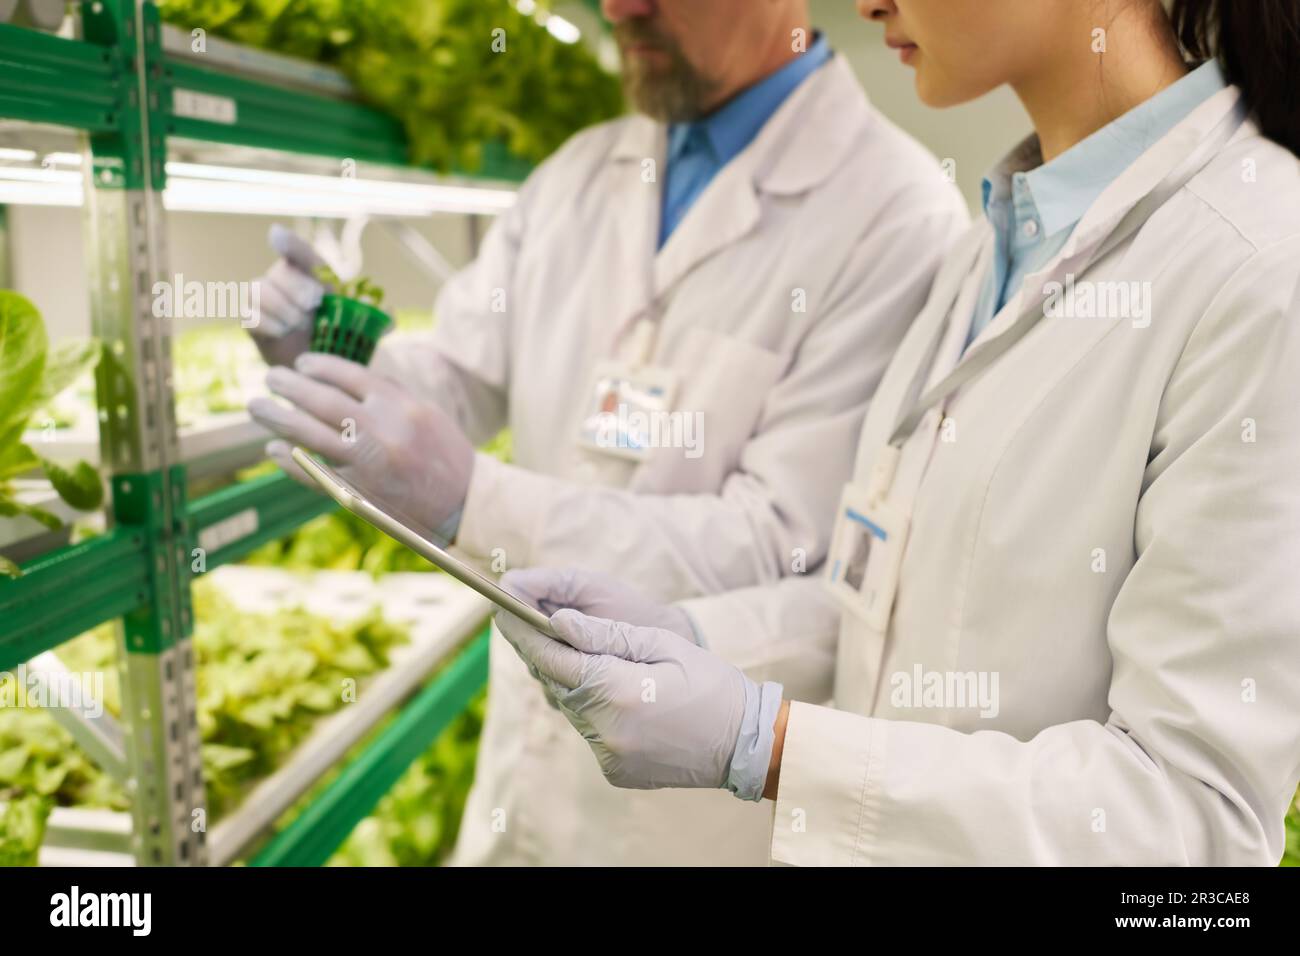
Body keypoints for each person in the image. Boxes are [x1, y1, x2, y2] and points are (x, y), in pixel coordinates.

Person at [494, 0, 1300, 865]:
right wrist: (697, 639)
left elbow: (1192, 822)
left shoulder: (1261, 266)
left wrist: (767, 748)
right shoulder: (992, 244)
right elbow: (891, 602)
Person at [246, 0, 967, 865]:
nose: (621, 7)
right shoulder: (577, 174)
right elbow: (459, 379)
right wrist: (339, 359)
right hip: (522, 777)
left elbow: (790, 552)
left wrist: (477, 501)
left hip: (690, 825)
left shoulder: (900, 217)